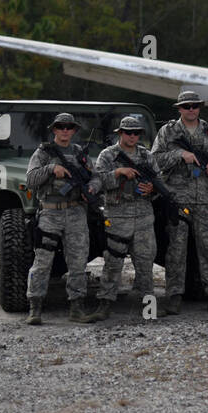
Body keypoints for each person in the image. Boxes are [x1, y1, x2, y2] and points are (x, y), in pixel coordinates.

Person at [152, 91, 208, 314]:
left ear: (199, 107)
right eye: (186, 106)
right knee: (176, 250)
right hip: (179, 200)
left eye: (194, 106)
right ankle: (174, 297)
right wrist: (179, 155)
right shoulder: (168, 131)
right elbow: (154, 160)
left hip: (205, 199)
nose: (191, 110)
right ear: (179, 108)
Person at [25, 112, 102, 324]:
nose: (65, 131)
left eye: (69, 127)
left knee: (78, 262)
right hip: (50, 212)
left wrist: (92, 188)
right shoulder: (43, 153)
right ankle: (35, 309)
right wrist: (51, 169)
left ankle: (77, 308)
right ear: (54, 130)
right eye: (61, 127)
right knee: (42, 262)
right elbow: (30, 179)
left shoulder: (80, 154)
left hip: (76, 212)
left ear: (74, 130)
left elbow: (96, 177)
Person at [89, 115, 159, 321]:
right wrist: (118, 172)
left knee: (145, 263)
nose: (132, 136)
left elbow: (159, 180)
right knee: (113, 263)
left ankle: (149, 308)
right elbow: (98, 181)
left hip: (144, 216)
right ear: (120, 133)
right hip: (118, 216)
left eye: (136, 133)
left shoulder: (146, 156)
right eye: (128, 132)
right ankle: (105, 304)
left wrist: (152, 189)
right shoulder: (107, 155)